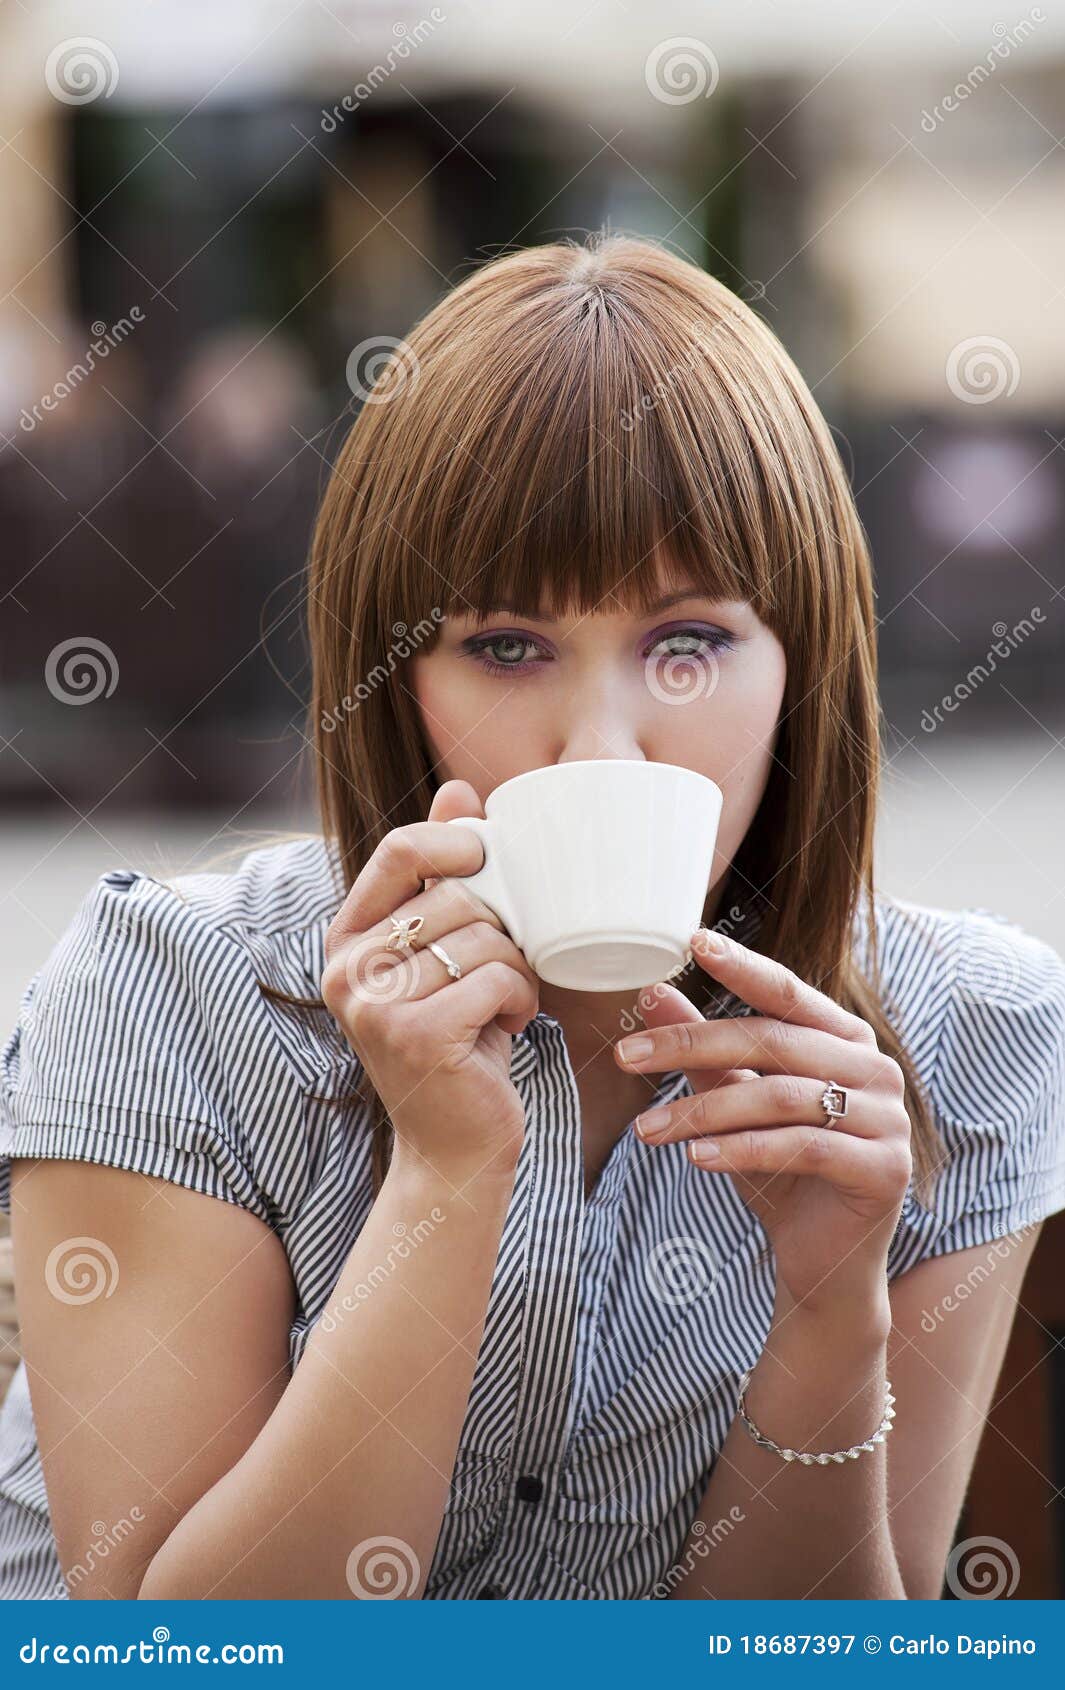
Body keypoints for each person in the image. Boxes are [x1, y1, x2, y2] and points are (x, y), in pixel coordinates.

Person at [1, 233, 1063, 1602]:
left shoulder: (962, 1040)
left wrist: (825, 1305)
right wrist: (445, 1173)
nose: (598, 744)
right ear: (397, 679)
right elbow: (194, 1652)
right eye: (505, 645)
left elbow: (820, 1653)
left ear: (804, 664)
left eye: (688, 642)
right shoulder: (176, 991)